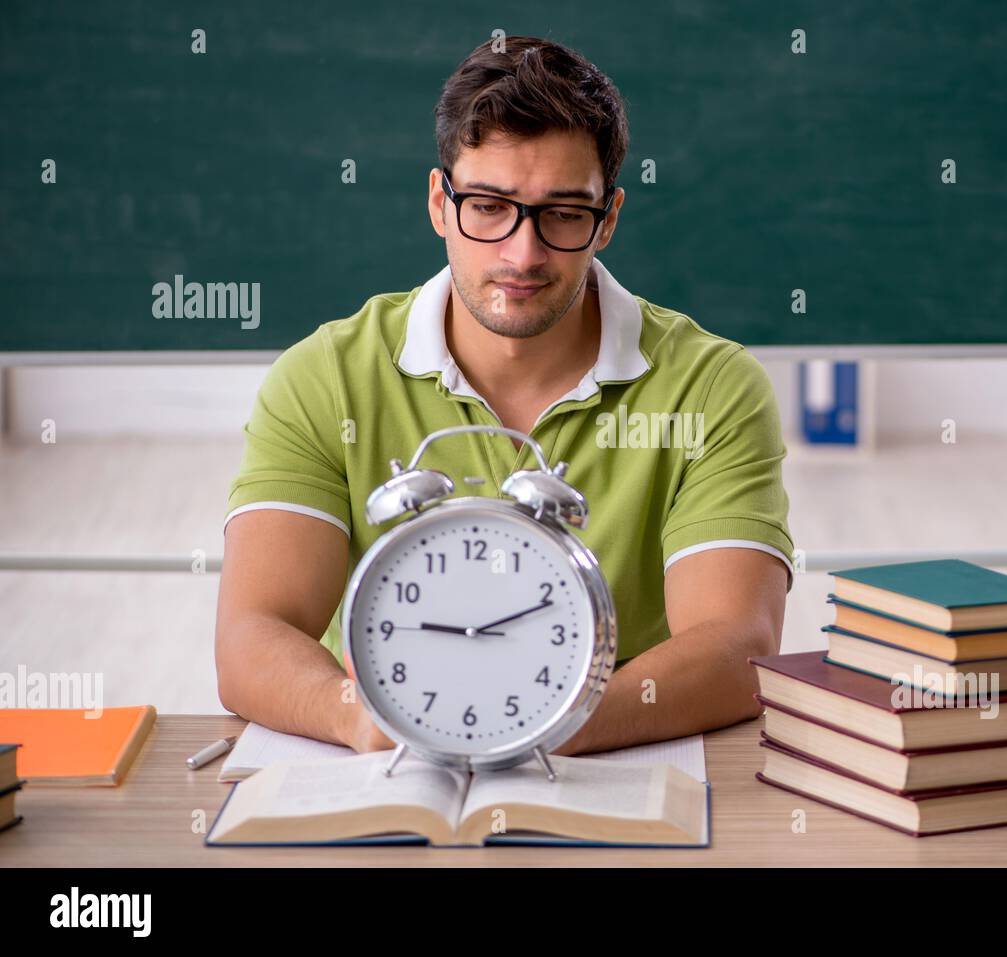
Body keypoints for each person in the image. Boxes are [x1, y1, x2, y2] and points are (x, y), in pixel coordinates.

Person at [215, 35, 795, 756]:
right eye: (488, 206)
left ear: (607, 218)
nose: (522, 254)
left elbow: (739, 646)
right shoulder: (322, 376)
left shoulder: (713, 389)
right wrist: (367, 720)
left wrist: (536, 731)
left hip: (609, 776)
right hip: (388, 772)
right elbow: (250, 636)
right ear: (440, 201)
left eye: (562, 213)